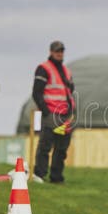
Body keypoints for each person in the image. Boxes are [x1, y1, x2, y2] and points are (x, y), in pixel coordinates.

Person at [32, 40, 75, 183]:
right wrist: (45, 111)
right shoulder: (43, 68)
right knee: (45, 145)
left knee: (61, 149)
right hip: (51, 113)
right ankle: (39, 175)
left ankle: (56, 177)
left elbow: (70, 90)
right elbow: (36, 92)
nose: (59, 53)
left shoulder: (67, 71)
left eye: (61, 51)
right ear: (51, 52)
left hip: (65, 115)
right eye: (57, 51)